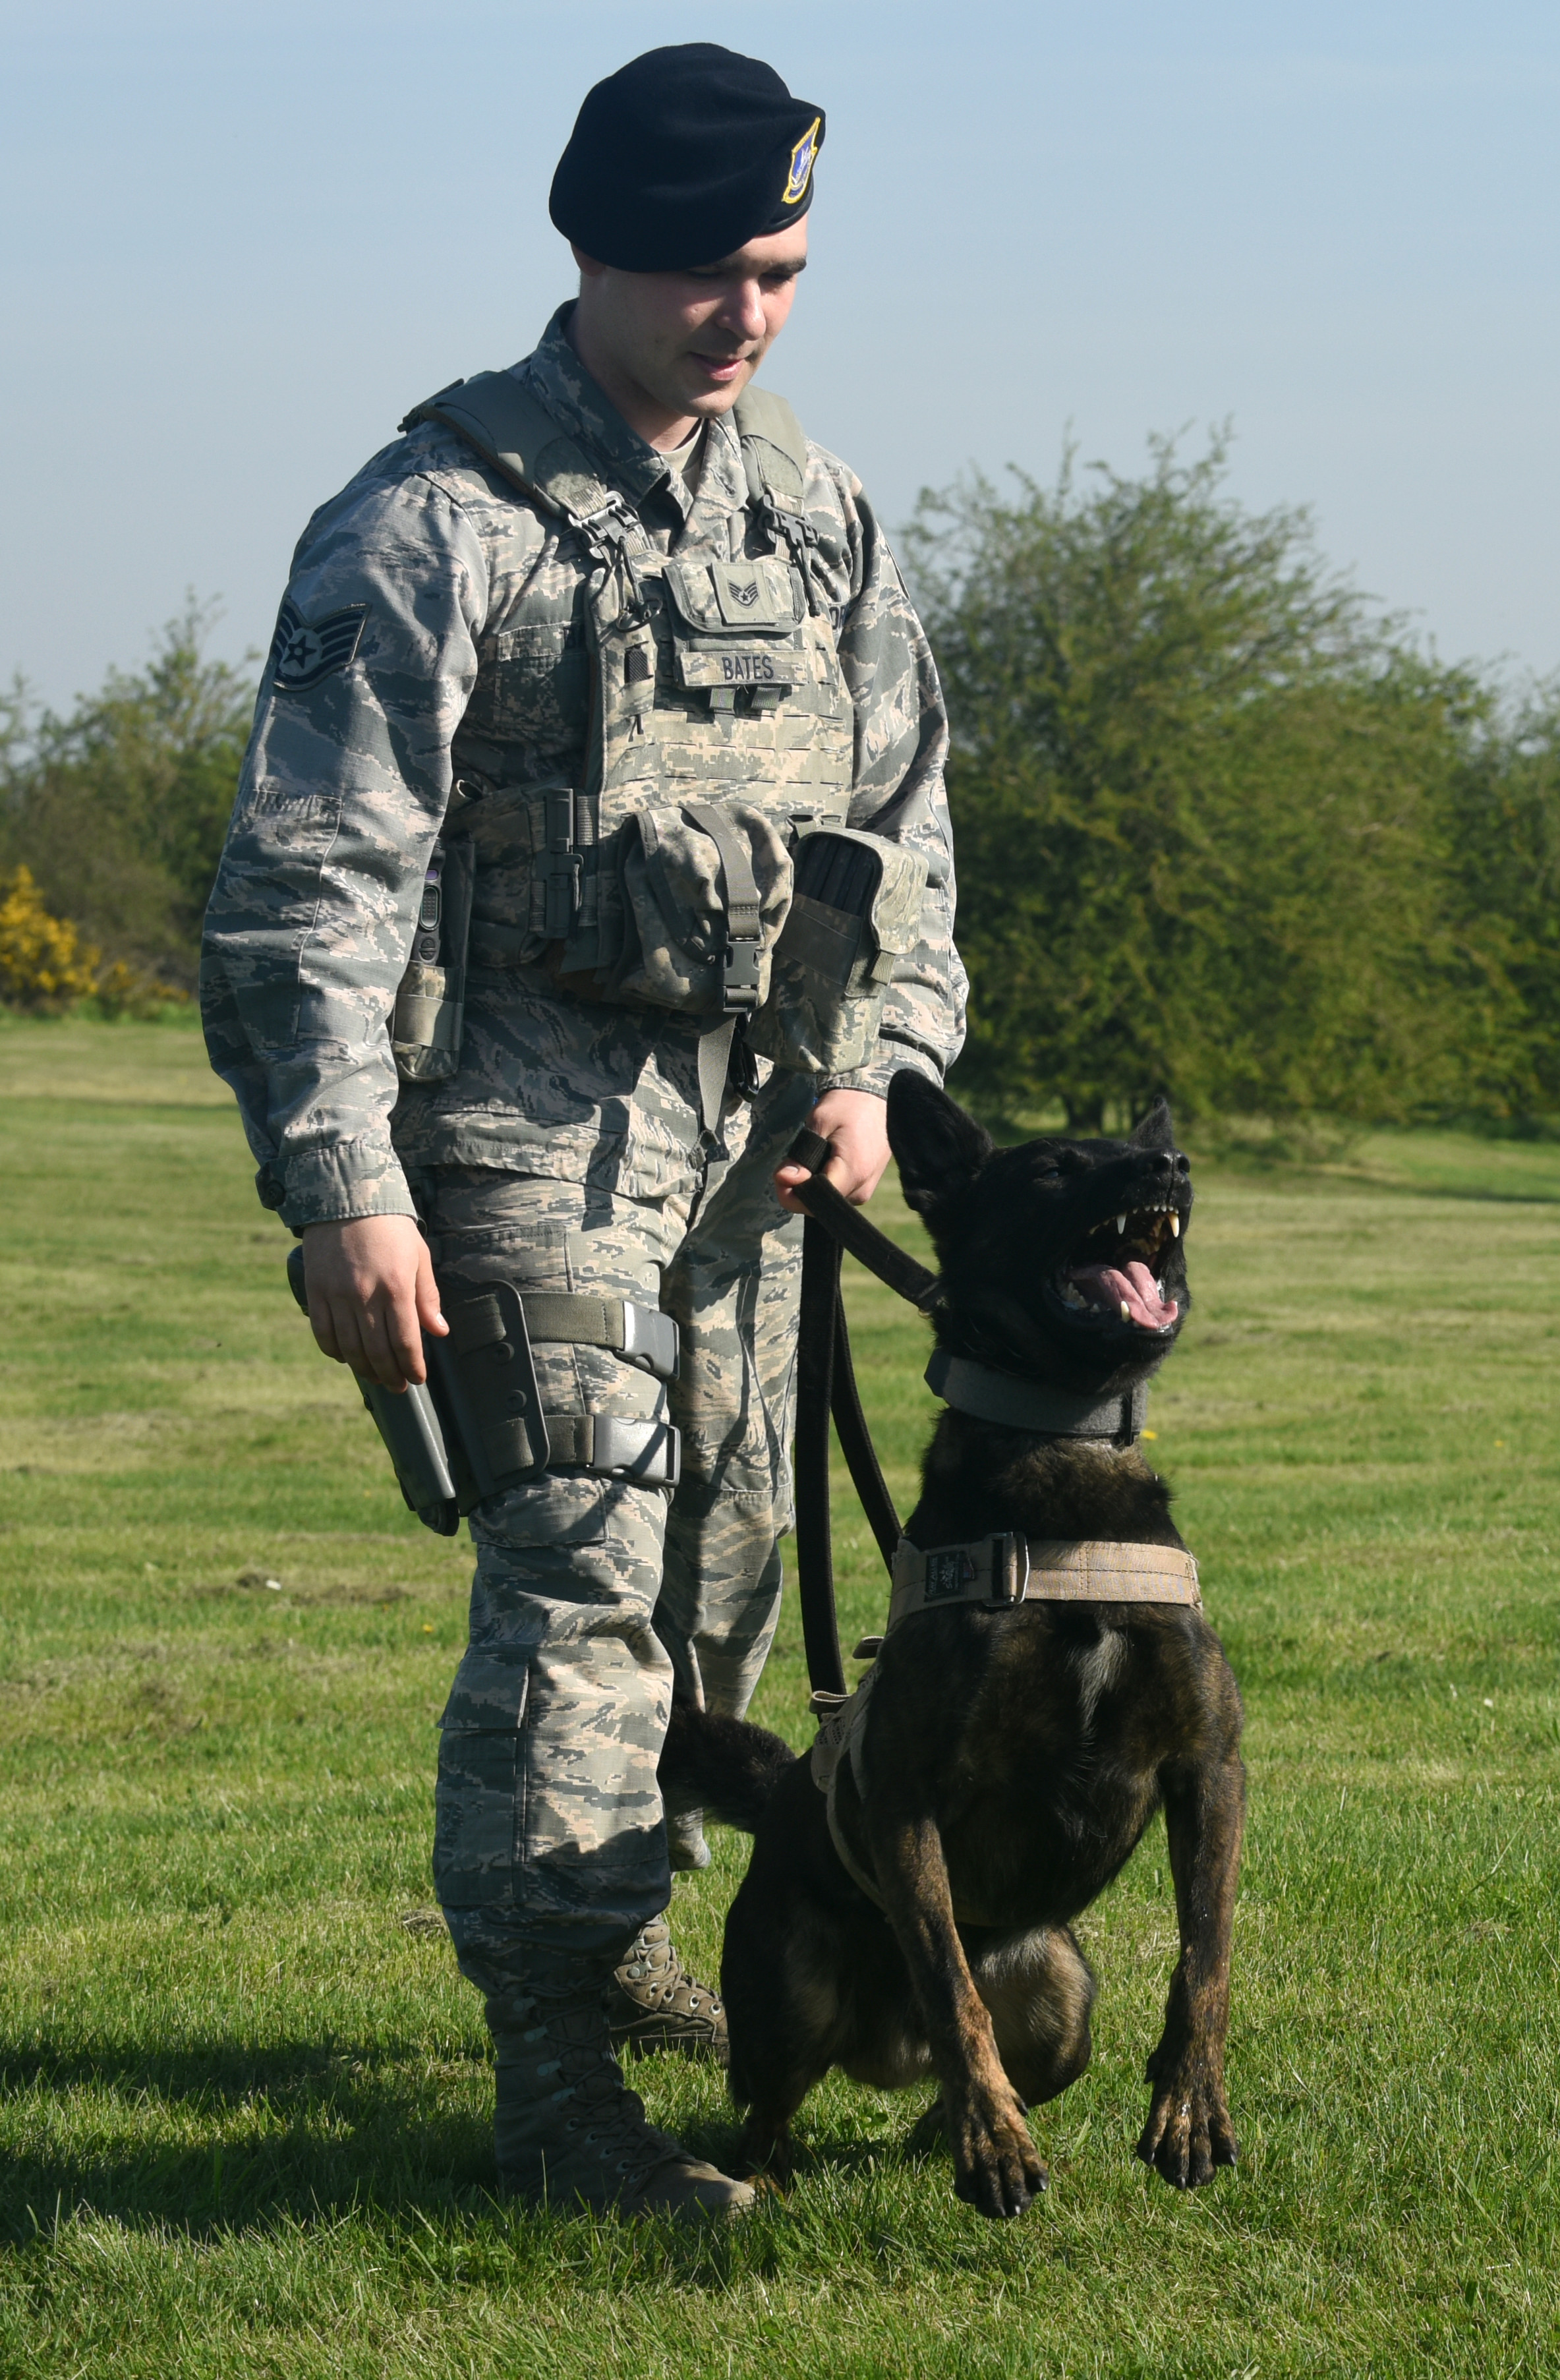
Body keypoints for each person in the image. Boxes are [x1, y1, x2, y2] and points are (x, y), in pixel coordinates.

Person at [199, 44, 964, 2217]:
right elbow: (305, 887)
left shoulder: (817, 514)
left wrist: (872, 1074)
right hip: (520, 1126)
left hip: (753, 1150)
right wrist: (343, 1183)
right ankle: (556, 2094)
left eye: (786, 273)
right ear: (593, 250)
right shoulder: (433, 518)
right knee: (582, 1591)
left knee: (721, 1577)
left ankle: (639, 1936)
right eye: (714, 272)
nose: (752, 314)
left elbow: (907, 848)